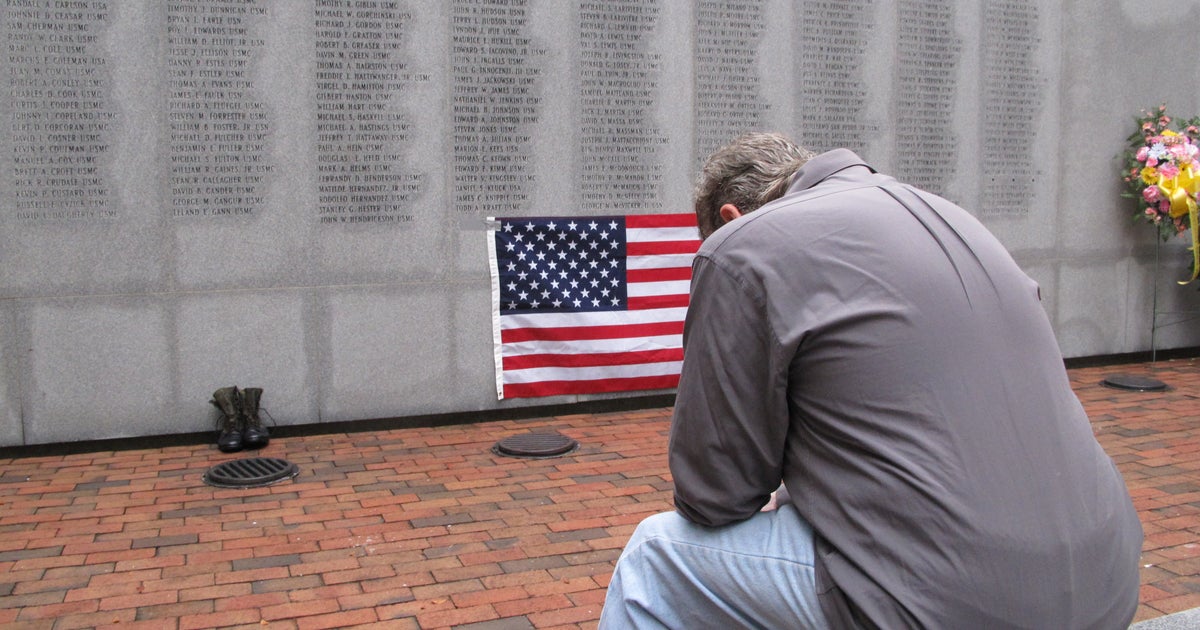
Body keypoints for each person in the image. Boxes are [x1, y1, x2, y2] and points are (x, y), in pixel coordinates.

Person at [598, 132, 1143, 629]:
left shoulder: (743, 244)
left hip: (955, 606)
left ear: (732, 214)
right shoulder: (950, 217)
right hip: (1107, 583)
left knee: (655, 557)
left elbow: (713, 494)